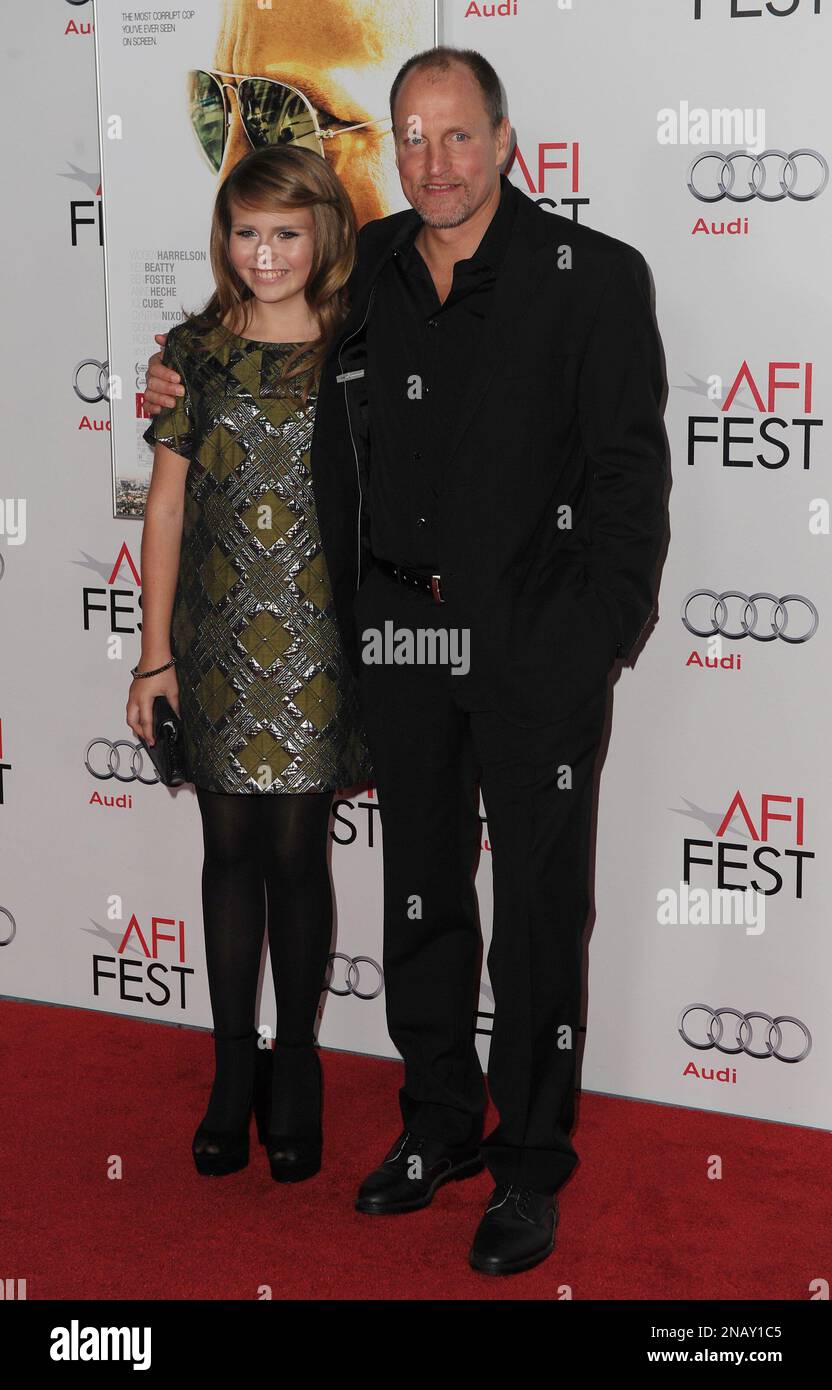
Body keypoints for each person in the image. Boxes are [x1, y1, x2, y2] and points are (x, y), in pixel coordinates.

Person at [145, 46, 667, 1276]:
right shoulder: (365, 268)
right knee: (421, 896)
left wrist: (595, 636)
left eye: (457, 136)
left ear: (503, 138)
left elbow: (627, 482)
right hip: (399, 636)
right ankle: (436, 1123)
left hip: (536, 644)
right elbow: (250, 334)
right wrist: (172, 374)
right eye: (412, 140)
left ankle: (531, 1162)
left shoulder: (588, 279)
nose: (434, 164)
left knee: (539, 915)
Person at [128, 143, 370, 1184]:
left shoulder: (361, 341)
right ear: (223, 239)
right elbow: (169, 504)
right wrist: (152, 658)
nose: (264, 253)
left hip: (322, 637)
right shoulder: (195, 349)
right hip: (220, 637)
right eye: (244, 231)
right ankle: (234, 1070)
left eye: (284, 231)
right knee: (228, 852)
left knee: (297, 854)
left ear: (323, 232)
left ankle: (299, 1068)